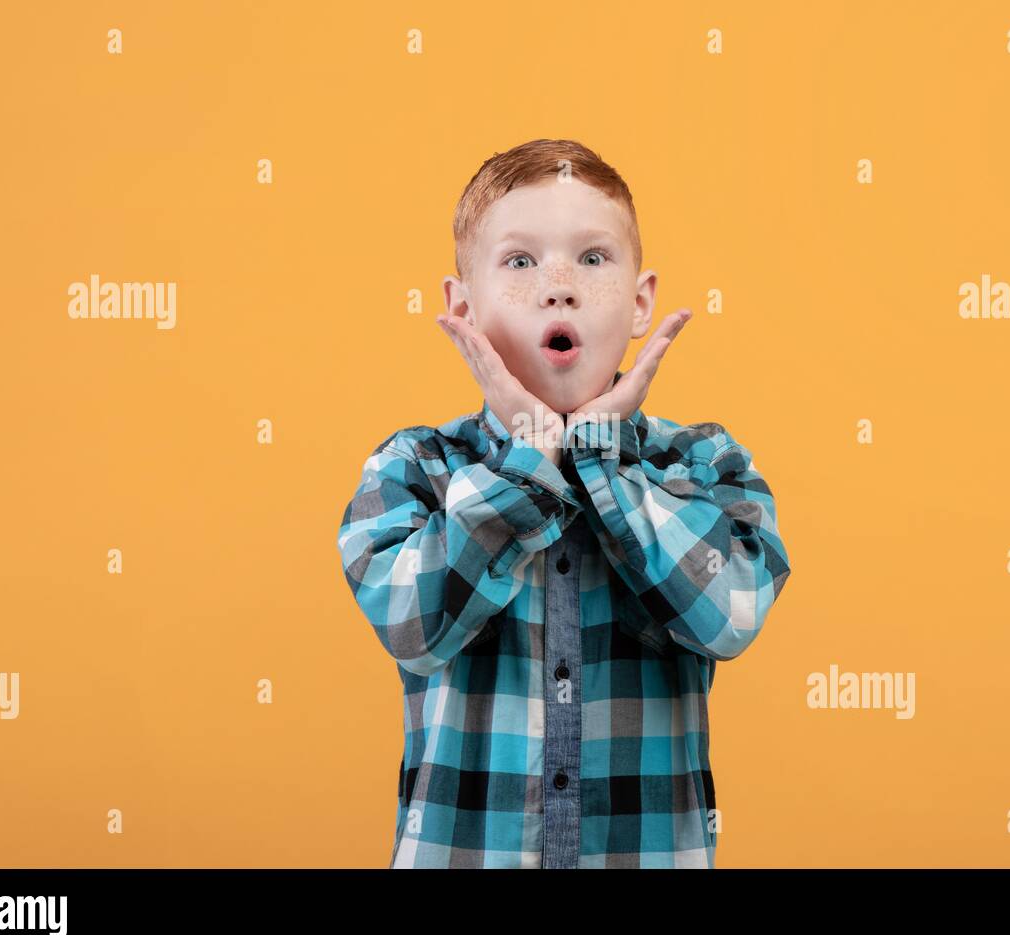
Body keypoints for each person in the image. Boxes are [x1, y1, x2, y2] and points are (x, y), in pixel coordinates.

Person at [337, 138, 792, 867]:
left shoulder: (704, 464)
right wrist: (528, 465)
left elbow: (730, 614)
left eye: (592, 258)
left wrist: (599, 457)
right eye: (520, 262)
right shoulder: (411, 468)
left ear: (640, 302)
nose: (559, 286)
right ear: (464, 306)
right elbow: (412, 624)